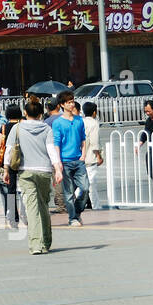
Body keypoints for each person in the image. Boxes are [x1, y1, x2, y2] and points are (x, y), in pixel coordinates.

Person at [3, 99, 64, 254]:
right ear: (40, 114)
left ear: (25, 113)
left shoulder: (16, 128)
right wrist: (57, 169)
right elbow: (51, 150)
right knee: (44, 205)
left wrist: (5, 170)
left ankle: (35, 245)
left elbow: (8, 151)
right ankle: (46, 242)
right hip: (44, 171)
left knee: (31, 208)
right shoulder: (47, 129)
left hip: (25, 172)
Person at [51, 91, 89, 227]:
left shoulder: (79, 120)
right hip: (65, 161)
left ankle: (77, 211)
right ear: (62, 105)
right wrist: (58, 162)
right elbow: (57, 143)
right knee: (68, 193)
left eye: (72, 101)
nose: (72, 104)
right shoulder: (58, 123)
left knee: (85, 188)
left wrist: (83, 154)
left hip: (78, 160)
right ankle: (72, 218)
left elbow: (83, 139)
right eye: (68, 102)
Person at [0, 104, 24, 227]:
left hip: (9, 161)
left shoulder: (3, 128)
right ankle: (24, 213)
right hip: (22, 160)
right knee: (23, 188)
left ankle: (13, 216)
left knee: (10, 189)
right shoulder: (22, 126)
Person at [82, 102, 103, 212]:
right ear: (94, 112)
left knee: (81, 182)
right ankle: (96, 205)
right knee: (91, 183)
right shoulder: (94, 124)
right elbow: (95, 142)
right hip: (91, 157)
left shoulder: (81, 122)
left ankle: (75, 201)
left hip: (81, 156)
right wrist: (98, 155)